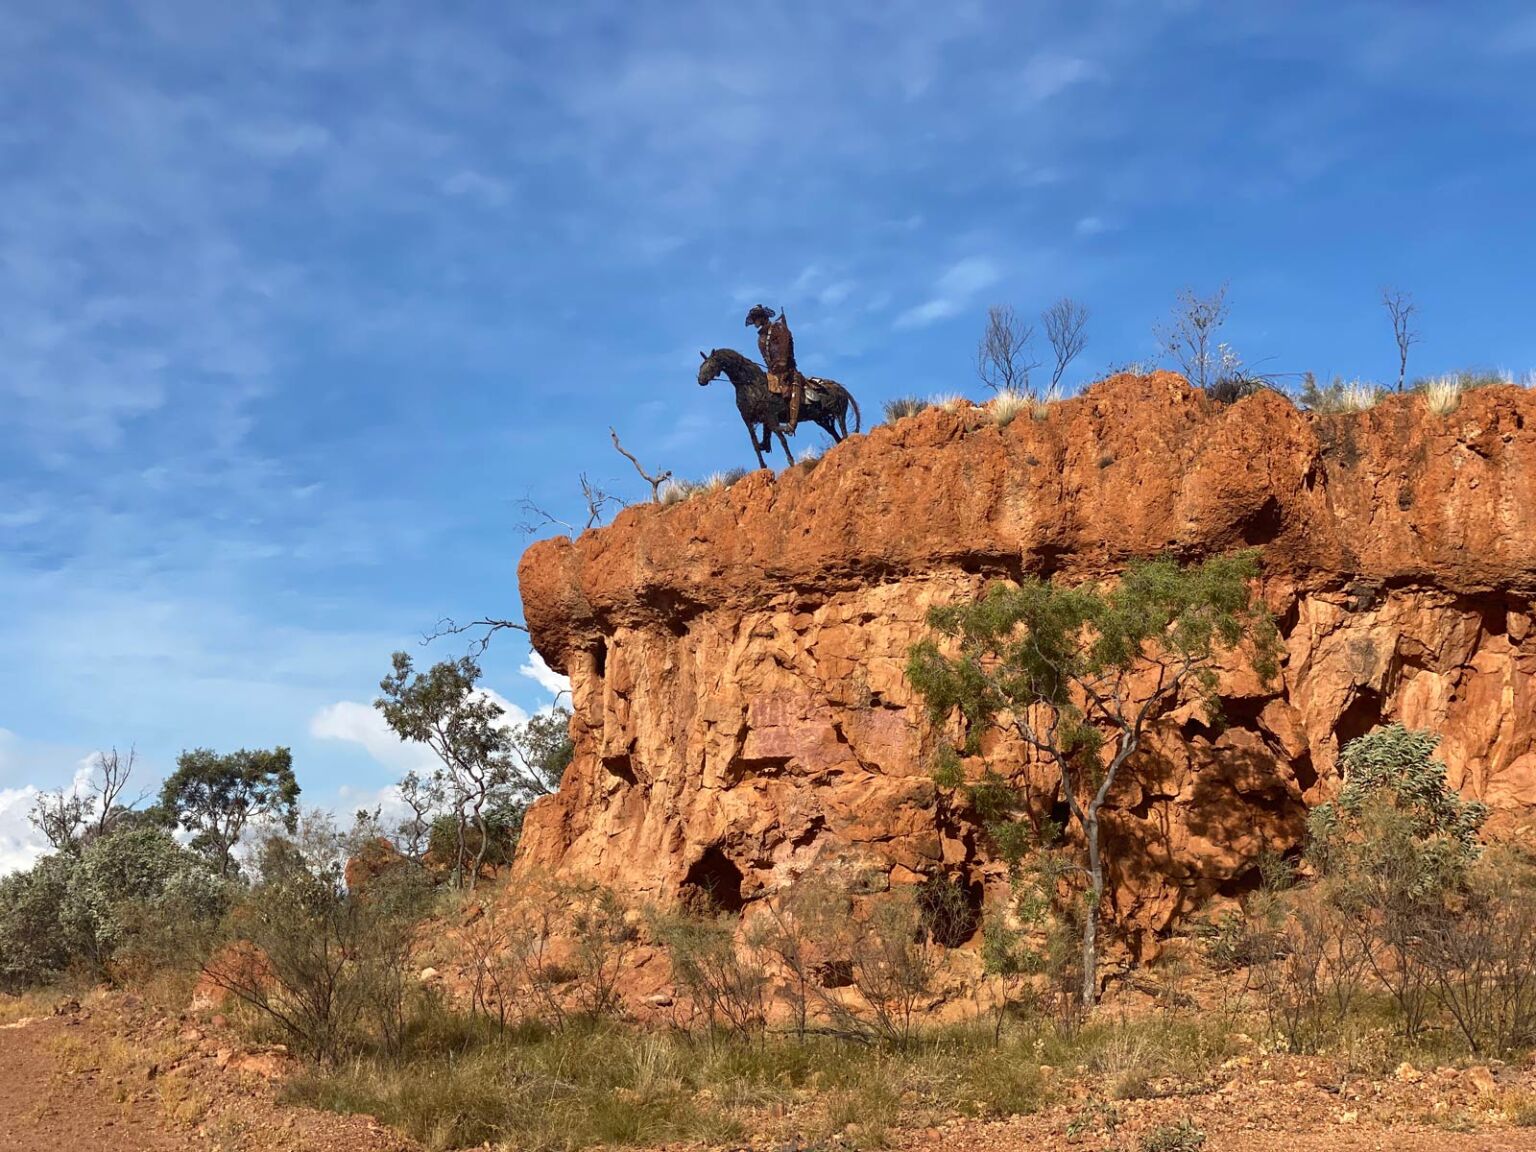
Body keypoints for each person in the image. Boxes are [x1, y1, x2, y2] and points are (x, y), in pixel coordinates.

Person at [745, 304, 804, 433]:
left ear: (762, 317)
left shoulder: (779, 328)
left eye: (756, 318)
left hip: (788, 370)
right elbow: (767, 358)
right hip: (773, 373)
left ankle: (792, 425)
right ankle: (767, 438)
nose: (755, 322)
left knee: (795, 383)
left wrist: (782, 363)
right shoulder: (760, 339)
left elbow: (784, 348)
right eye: (753, 319)